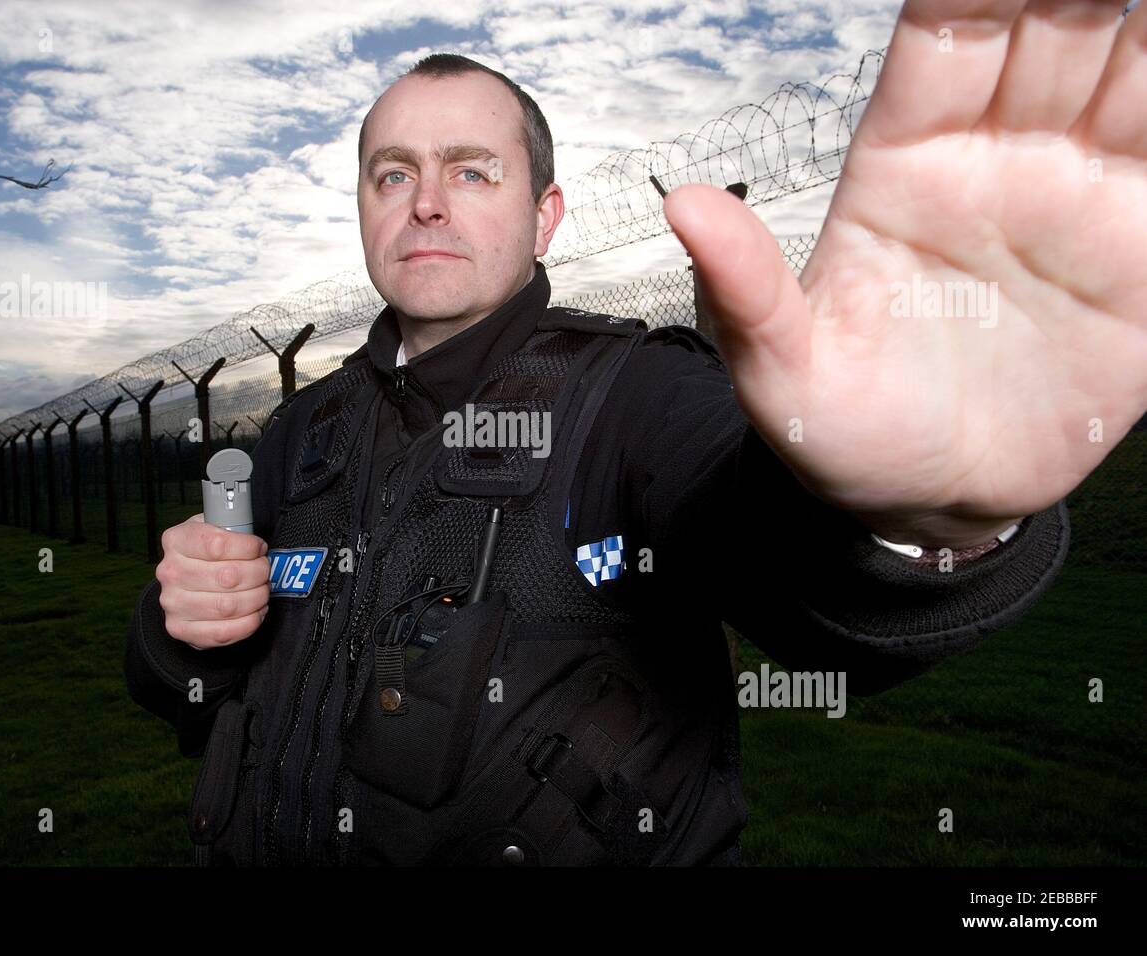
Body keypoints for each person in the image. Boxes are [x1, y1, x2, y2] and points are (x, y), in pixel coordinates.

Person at [126, 2, 1147, 865]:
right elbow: (194, 689)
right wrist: (177, 631)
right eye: (392, 174)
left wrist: (917, 510)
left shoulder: (633, 393)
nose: (426, 202)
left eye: (472, 171)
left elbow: (773, 548)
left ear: (544, 215)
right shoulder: (307, 426)